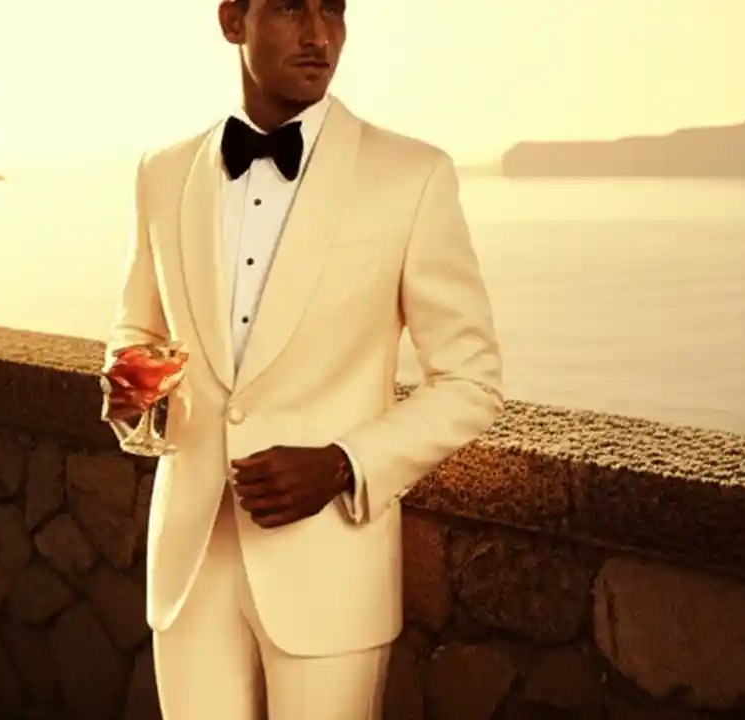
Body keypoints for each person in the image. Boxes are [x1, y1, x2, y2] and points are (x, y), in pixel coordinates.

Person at [101, 0, 505, 716]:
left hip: (329, 567)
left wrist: (342, 463)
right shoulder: (162, 173)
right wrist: (134, 388)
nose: (319, 35)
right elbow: (139, 326)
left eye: (334, 10)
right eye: (290, 8)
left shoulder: (412, 175)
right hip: (191, 563)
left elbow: (470, 382)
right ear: (233, 21)